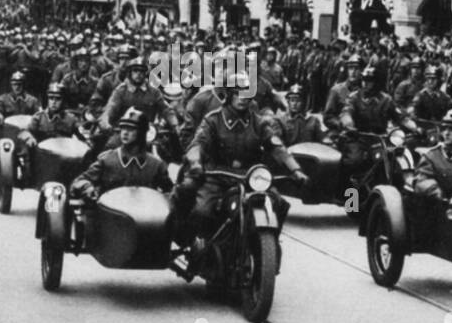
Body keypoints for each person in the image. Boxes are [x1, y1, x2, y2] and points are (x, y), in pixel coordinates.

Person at [179, 80, 308, 248]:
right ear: (229, 95)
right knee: (203, 211)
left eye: (247, 93)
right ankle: (203, 247)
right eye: (237, 93)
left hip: (250, 178)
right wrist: (196, 163)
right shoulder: (213, 120)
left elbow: (276, 146)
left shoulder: (258, 122)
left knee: (279, 204)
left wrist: (295, 169)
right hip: (216, 177)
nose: (242, 98)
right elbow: (197, 145)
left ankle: (270, 246)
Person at [70, 108, 173, 201]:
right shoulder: (107, 160)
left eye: (131, 129)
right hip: (112, 217)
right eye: (123, 128)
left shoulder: (156, 165)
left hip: (144, 219)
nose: (125, 132)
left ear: (142, 132)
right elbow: (79, 181)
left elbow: (170, 193)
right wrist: (87, 187)